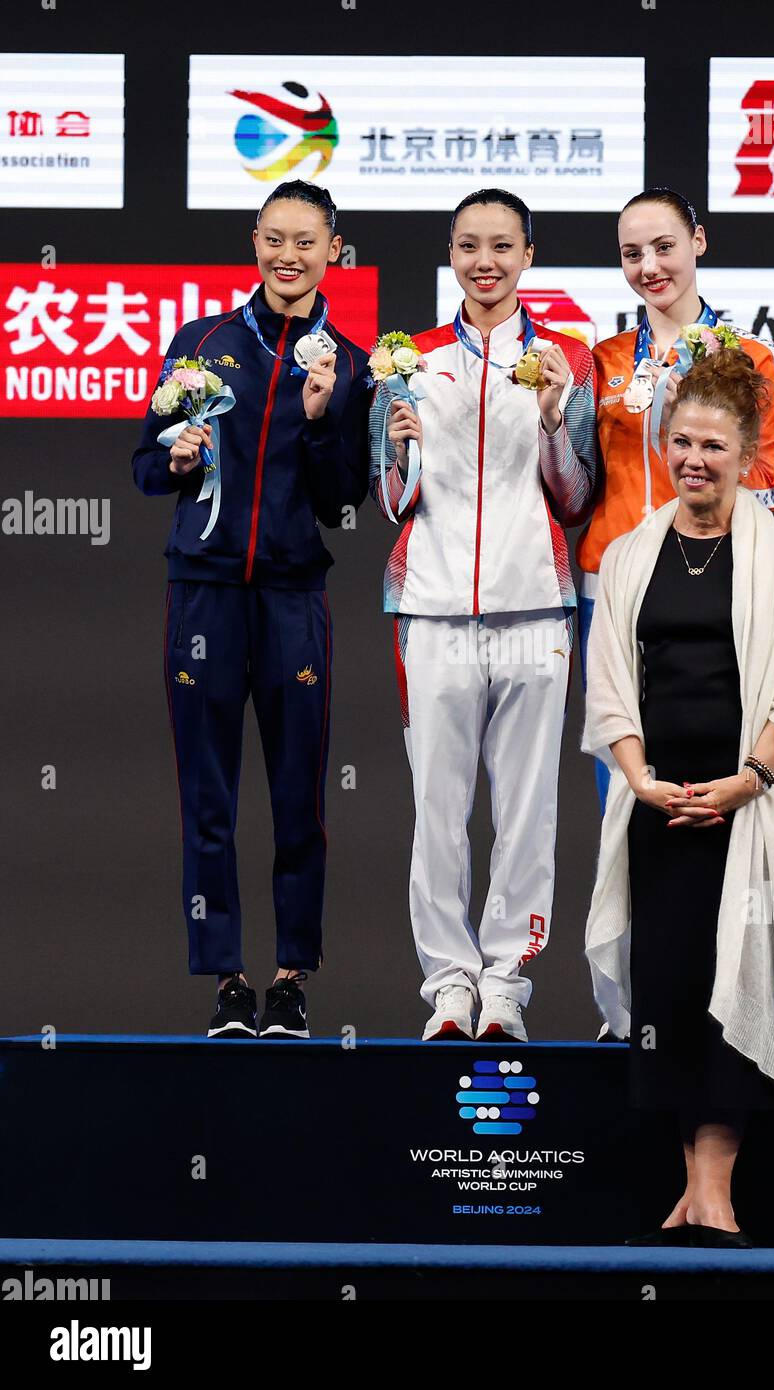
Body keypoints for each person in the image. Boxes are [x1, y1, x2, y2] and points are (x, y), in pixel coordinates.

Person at [581, 350, 774, 1246]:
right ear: (662, 447)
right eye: (681, 442)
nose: (694, 459)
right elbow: (608, 687)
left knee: (737, 981)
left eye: (714, 445)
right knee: (667, 991)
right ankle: (690, 1185)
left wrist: (749, 780)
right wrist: (637, 778)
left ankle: (715, 1188)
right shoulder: (629, 554)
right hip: (657, 810)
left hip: (749, 805)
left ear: (747, 457)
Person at [131, 179, 372, 1039]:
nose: (288, 255)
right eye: (274, 238)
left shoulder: (347, 360)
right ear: (255, 242)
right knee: (208, 792)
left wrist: (317, 419)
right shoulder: (201, 341)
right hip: (201, 587)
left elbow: (346, 493)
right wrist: (181, 453)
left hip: (292, 593)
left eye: (305, 241)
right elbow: (146, 468)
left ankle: (289, 977)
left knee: (298, 791)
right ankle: (228, 978)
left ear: (333, 250)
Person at [369, 188, 597, 1044]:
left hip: (535, 603)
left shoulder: (566, 358)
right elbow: (387, 501)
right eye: (469, 245)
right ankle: (447, 985)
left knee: (528, 806)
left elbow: (574, 500)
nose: (485, 261)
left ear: (528, 255)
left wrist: (548, 425)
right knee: (437, 803)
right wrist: (395, 448)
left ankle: (506, 983)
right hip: (429, 607)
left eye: (503, 245)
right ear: (451, 255)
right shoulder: (405, 359)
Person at [577, 188, 774, 813]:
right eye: (632, 253)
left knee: (713, 761)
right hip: (611, 584)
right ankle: (634, 912)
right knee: (620, 781)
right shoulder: (604, 361)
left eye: (664, 247)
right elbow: (578, 483)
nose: (650, 267)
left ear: (698, 242)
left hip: (713, 585)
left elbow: (773, 481)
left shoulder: (749, 358)